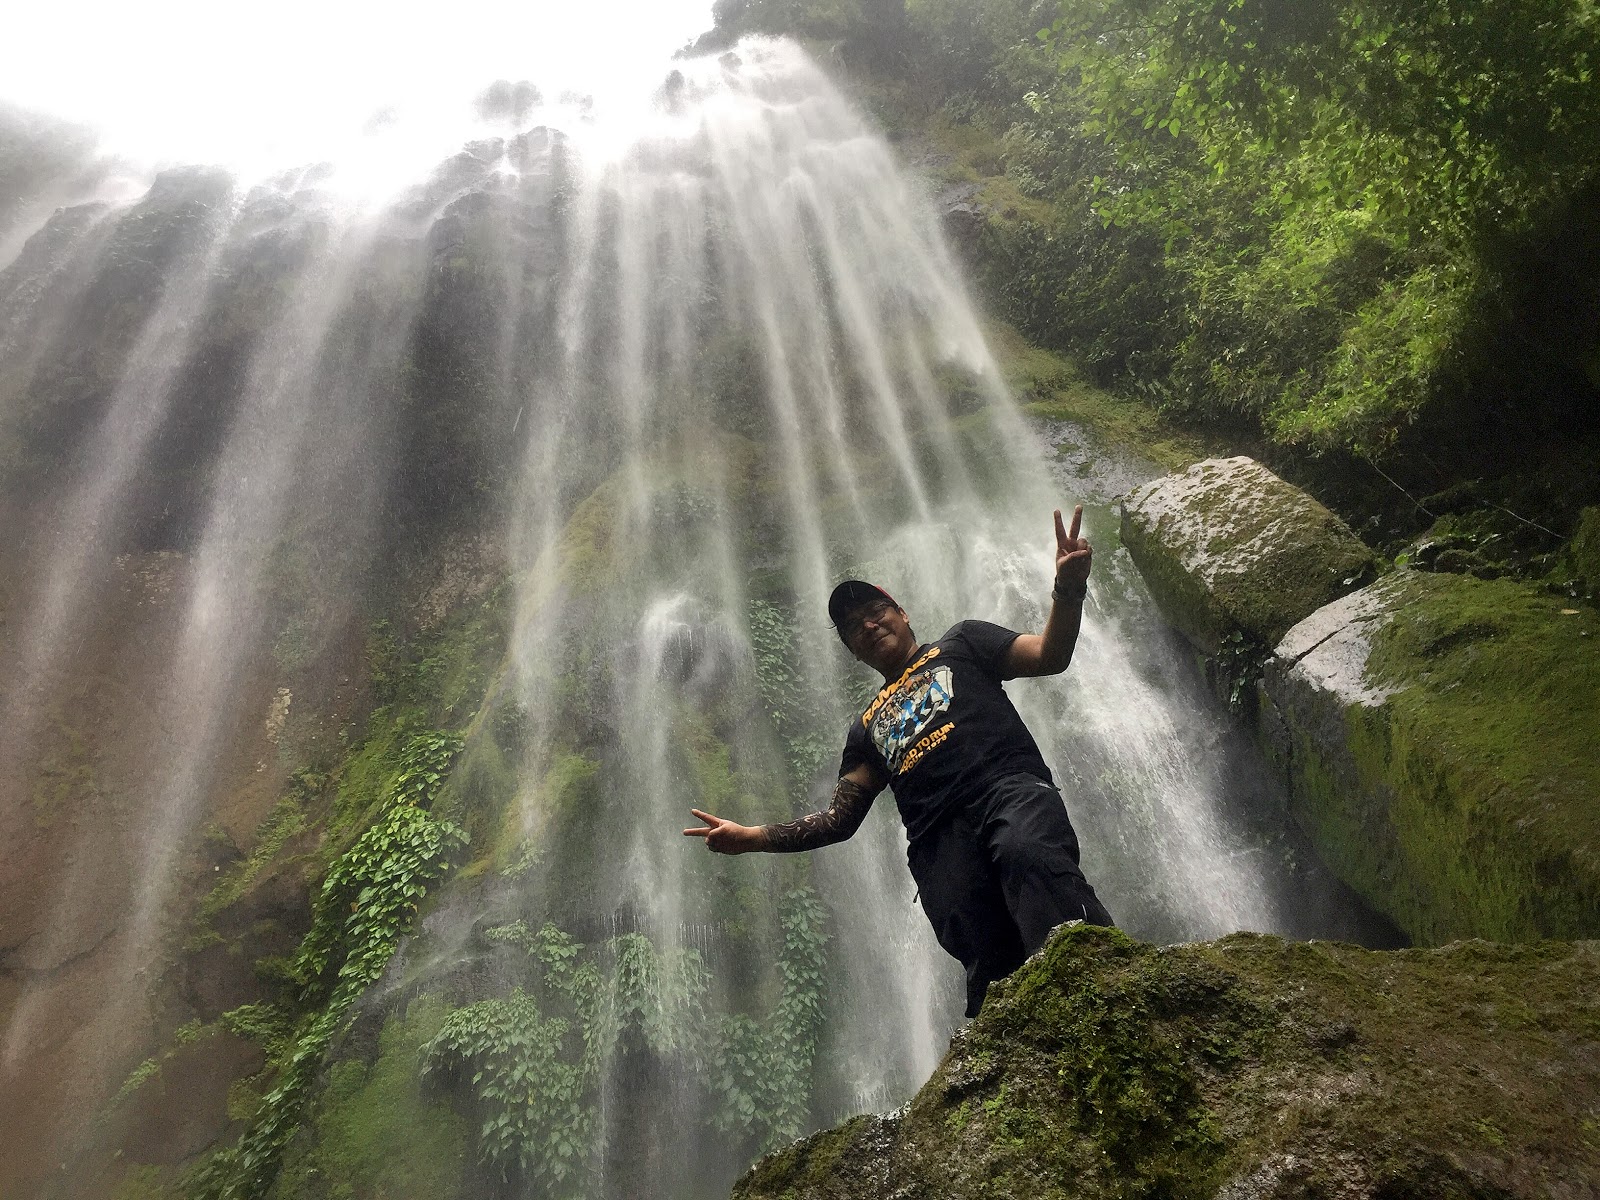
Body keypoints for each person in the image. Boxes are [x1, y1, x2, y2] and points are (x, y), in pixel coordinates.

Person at [684, 506, 1114, 1016]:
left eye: (875, 610)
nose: (867, 624)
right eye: (852, 627)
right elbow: (839, 821)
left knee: (1028, 856)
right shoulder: (865, 728)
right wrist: (750, 837)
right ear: (851, 650)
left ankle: (1105, 985)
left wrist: (1068, 589)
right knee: (981, 946)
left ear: (902, 613)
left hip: (1007, 790)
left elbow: (1049, 655)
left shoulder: (963, 643)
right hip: (938, 841)